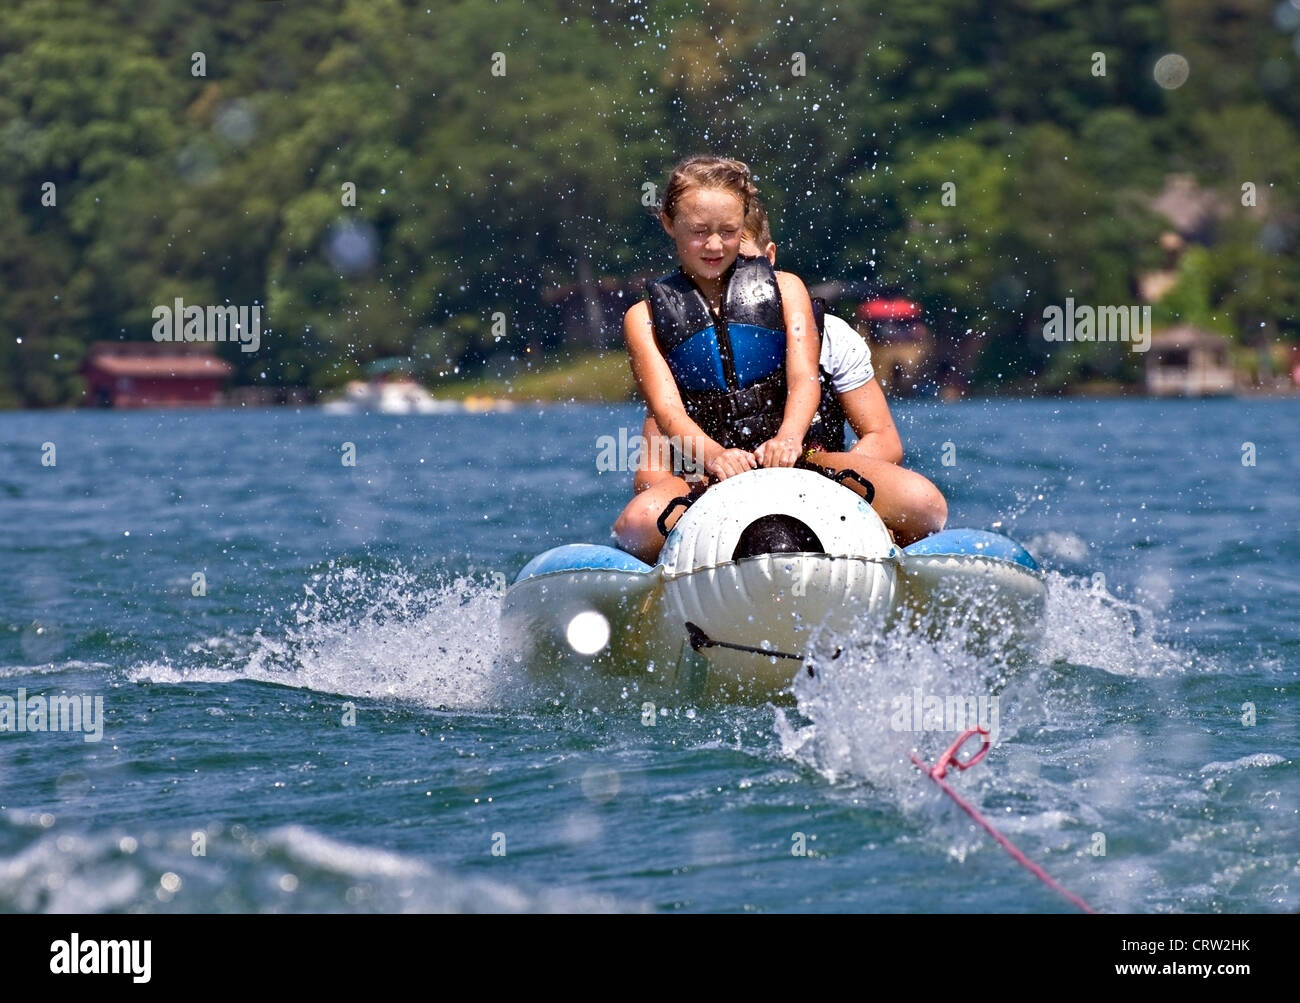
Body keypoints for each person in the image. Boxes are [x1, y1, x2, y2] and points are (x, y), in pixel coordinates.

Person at [613, 193, 948, 560]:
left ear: (769, 259)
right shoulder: (682, 342)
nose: (730, 281)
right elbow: (652, 472)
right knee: (636, 526)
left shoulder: (831, 336)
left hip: (815, 470)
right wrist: (705, 485)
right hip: (709, 486)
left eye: (744, 263)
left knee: (921, 505)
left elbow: (884, 439)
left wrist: (834, 496)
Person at [612, 155, 822, 563]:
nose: (713, 245)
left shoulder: (787, 288)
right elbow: (667, 410)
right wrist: (715, 458)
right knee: (636, 526)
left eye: (728, 232)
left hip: (790, 456)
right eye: (699, 231)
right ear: (669, 224)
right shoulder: (643, 318)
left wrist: (789, 439)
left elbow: (804, 379)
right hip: (701, 471)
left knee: (921, 503)